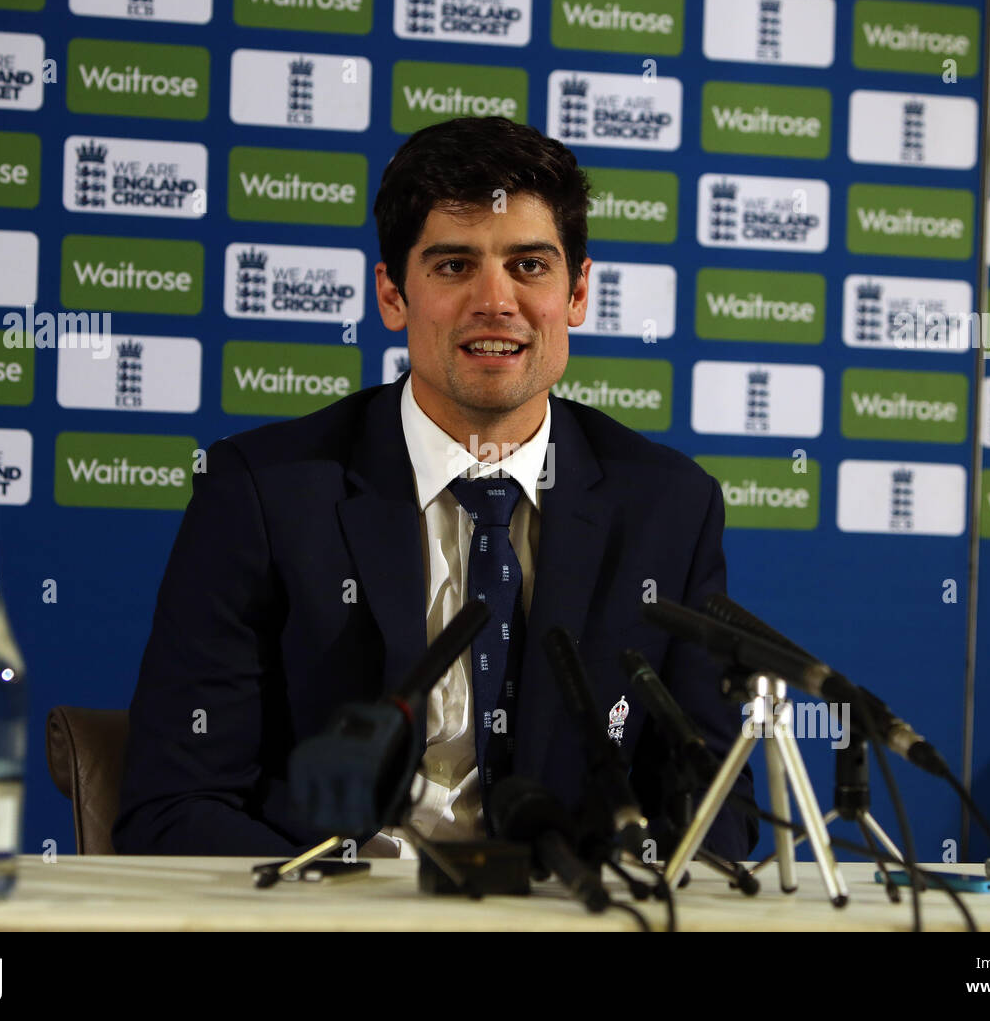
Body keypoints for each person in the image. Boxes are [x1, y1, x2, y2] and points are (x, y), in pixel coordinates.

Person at [112, 115, 757, 862]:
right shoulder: (263, 494)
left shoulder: (666, 508)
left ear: (578, 293)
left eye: (529, 266)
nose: (495, 300)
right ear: (393, 295)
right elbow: (175, 805)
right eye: (454, 265)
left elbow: (718, 815)